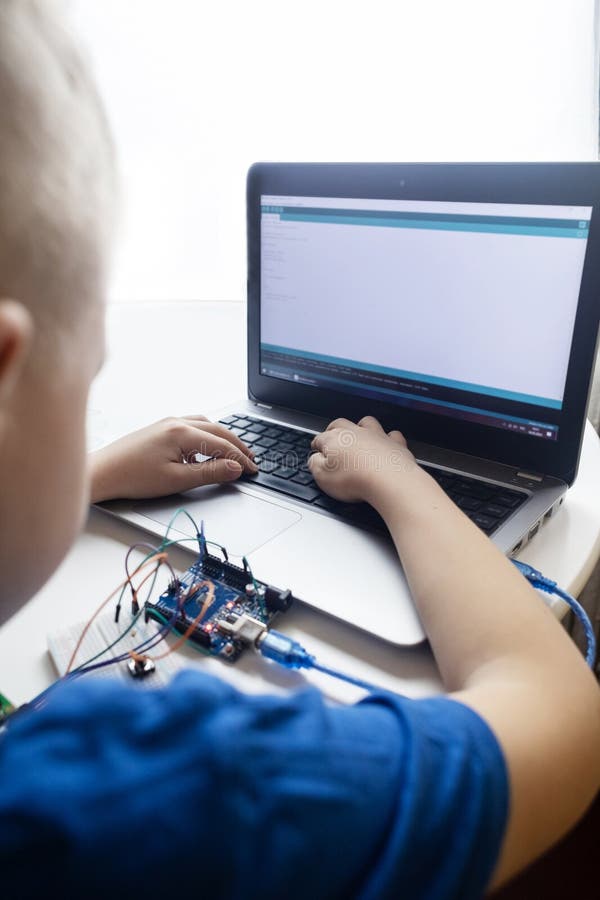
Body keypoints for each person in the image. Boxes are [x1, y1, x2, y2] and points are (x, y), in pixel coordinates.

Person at [0, 3, 598, 898]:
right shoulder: (157, 789)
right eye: (90, 365)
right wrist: (403, 486)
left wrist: (84, 474)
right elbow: (561, 716)